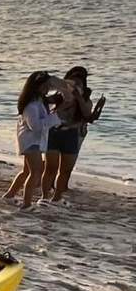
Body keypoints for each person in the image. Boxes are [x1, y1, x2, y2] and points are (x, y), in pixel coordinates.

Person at [43, 66, 105, 202]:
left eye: (79, 84)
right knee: (50, 168)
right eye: (72, 84)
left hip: (71, 135)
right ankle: (44, 197)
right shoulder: (60, 97)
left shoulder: (85, 101)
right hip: (54, 132)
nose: (75, 87)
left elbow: (88, 115)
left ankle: (57, 197)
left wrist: (79, 98)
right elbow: (43, 100)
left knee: (65, 170)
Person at [4, 71, 60, 209]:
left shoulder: (39, 101)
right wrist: (55, 117)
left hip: (32, 141)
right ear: (37, 86)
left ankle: (10, 195)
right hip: (30, 141)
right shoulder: (31, 105)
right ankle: (26, 203)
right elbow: (35, 126)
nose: (48, 89)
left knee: (27, 171)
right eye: (45, 86)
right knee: (36, 171)